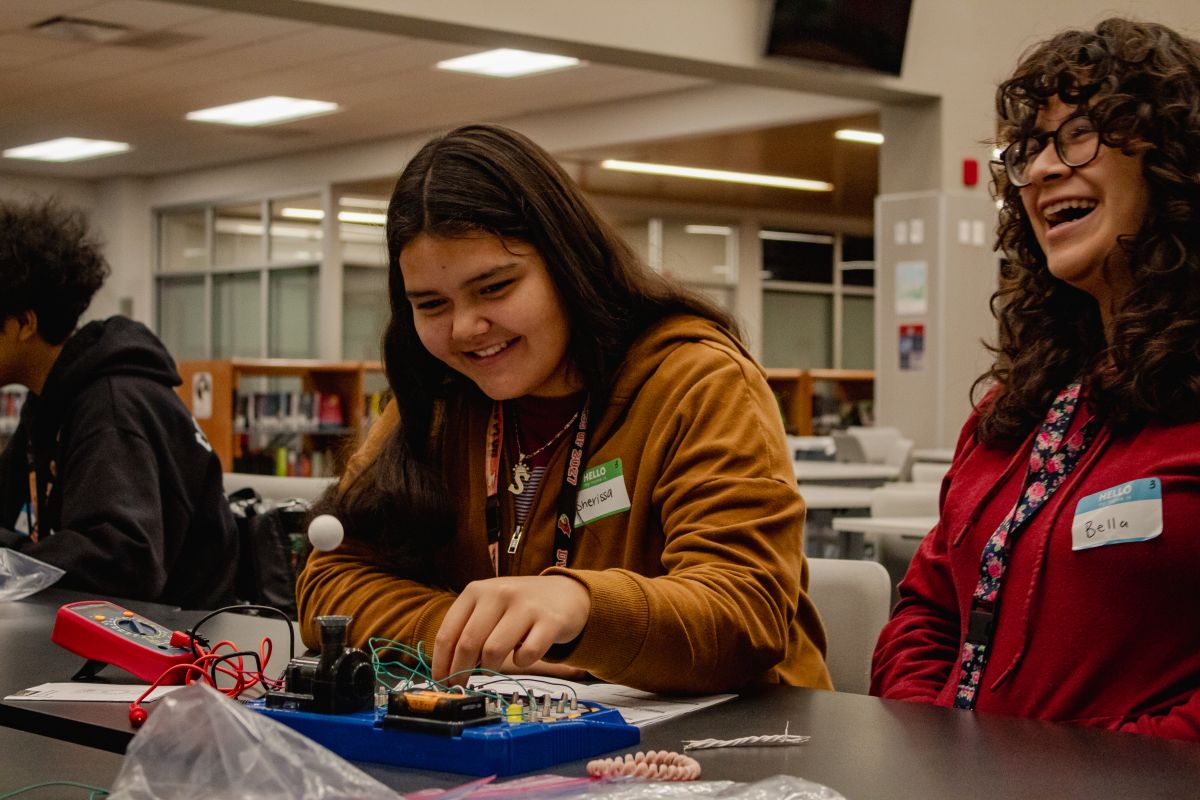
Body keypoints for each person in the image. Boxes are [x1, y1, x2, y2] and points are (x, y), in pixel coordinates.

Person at [297, 123, 831, 693]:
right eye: (431, 304)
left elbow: (745, 613)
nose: (464, 329)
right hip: (515, 737)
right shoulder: (438, 398)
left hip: (735, 744)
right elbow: (330, 579)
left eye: (495, 288)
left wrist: (584, 608)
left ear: (567, 263)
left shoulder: (696, 381)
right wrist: (465, 637)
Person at [871, 18, 1200, 740]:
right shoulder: (1016, 408)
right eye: (1030, 148)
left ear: (1176, 160)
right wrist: (935, 745)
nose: (1045, 169)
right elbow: (927, 612)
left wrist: (1081, 773)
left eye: (1080, 134)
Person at [0, 199, 237, 608]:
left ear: (24, 324)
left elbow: (123, 559)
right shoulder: (51, 399)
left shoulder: (110, 407)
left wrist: (13, 560)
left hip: (184, 643)